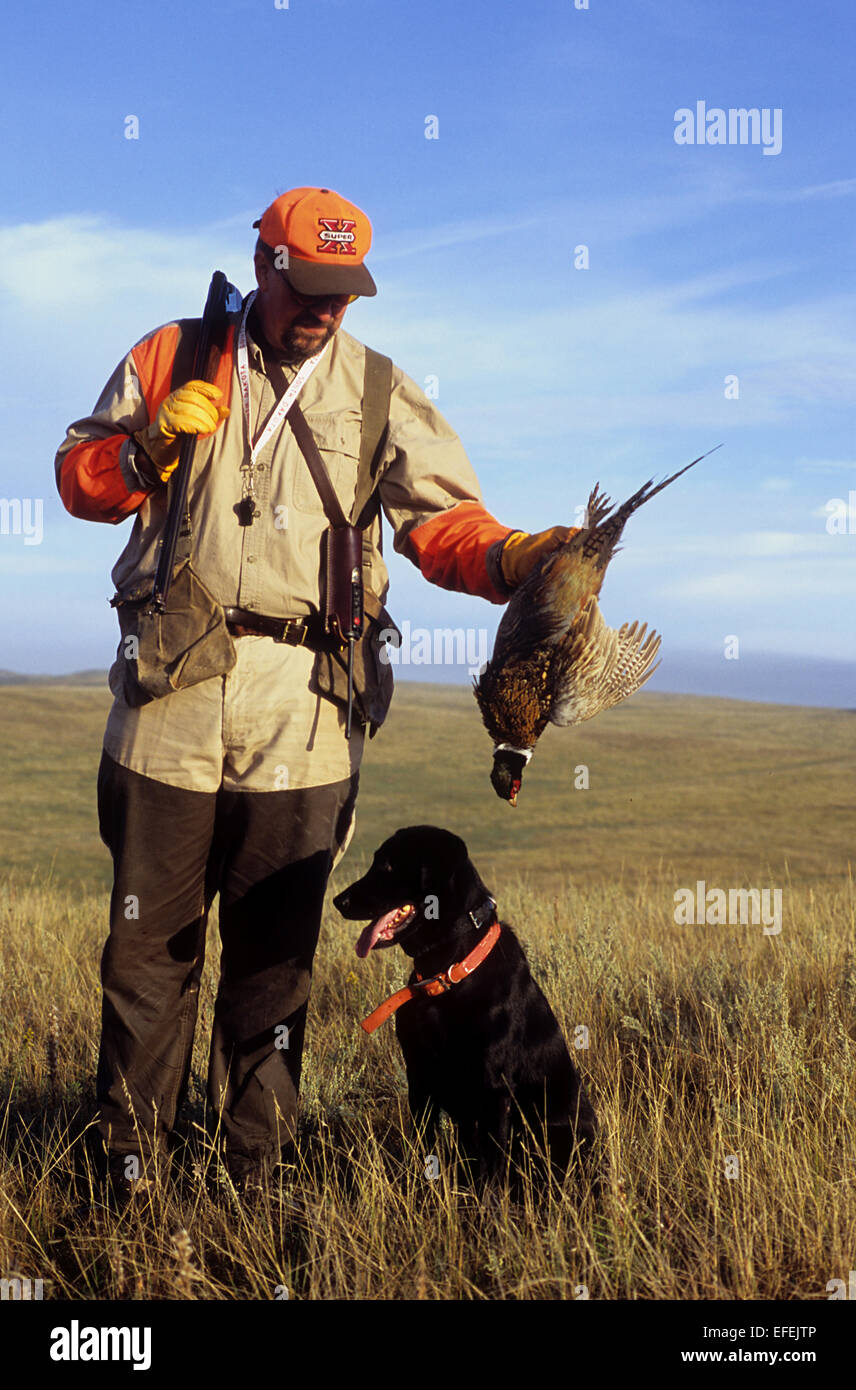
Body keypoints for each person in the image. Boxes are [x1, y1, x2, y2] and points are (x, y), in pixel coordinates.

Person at [55, 185, 574, 1195]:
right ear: (263, 264)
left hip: (305, 715)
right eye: (309, 287)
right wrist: (143, 446)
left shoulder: (378, 390)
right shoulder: (171, 353)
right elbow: (78, 481)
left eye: (345, 293)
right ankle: (126, 1165)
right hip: (168, 705)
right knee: (146, 958)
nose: (326, 310)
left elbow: (445, 529)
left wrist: (517, 557)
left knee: (276, 965)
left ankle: (249, 1175)